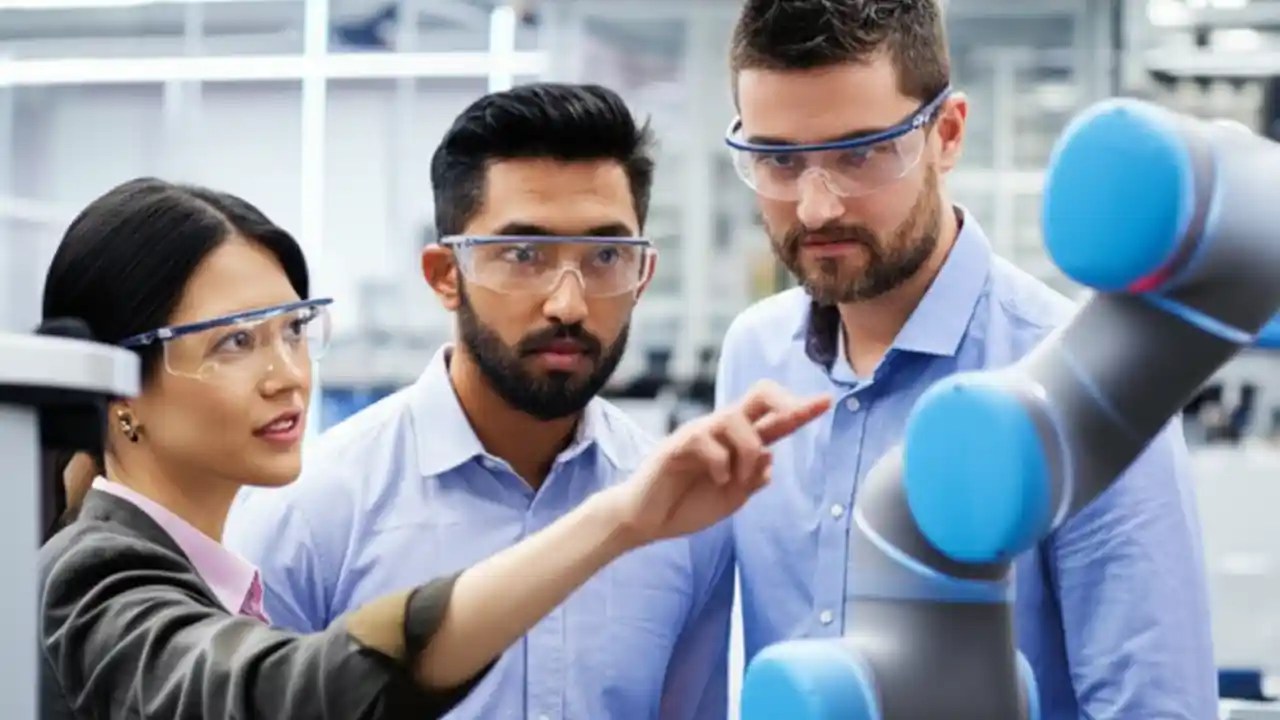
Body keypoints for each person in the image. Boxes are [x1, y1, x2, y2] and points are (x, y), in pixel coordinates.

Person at [38, 177, 830, 719]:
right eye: (234, 343)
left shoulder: (209, 574)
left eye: (293, 330)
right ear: (119, 385)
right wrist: (617, 520)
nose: (287, 376)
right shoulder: (88, 578)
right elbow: (285, 693)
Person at [715, 2, 1217, 718]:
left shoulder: (1086, 384)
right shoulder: (754, 354)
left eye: (859, 153)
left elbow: (1154, 704)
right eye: (778, 161)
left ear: (946, 134)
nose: (816, 208)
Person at [224, 82, 739, 719]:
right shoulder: (310, 513)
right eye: (524, 254)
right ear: (445, 275)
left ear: (644, 275)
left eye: (607, 255)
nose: (569, 304)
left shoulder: (682, 518)